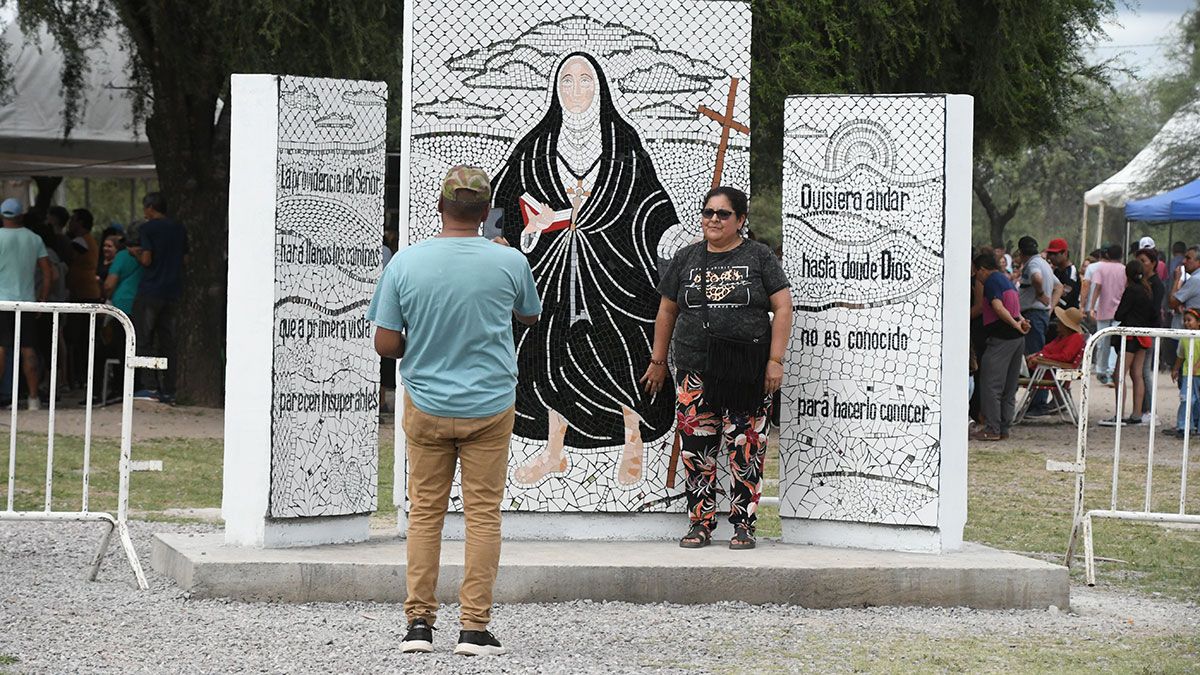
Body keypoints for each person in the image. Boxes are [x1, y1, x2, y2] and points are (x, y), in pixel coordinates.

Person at [370, 166, 540, 657]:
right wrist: (504, 256)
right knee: (483, 515)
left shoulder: (405, 262)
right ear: (486, 212)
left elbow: (385, 344)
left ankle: (418, 626)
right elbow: (529, 314)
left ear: (440, 208)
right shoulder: (509, 261)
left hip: (426, 403)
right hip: (490, 405)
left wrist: (422, 345)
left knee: (425, 514)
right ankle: (473, 629)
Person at [491, 51, 677, 487]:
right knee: (547, 353)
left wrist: (669, 234)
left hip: (614, 269)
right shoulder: (536, 145)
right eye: (567, 81)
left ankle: (632, 436)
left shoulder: (621, 141)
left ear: (600, 88)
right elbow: (500, 198)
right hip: (550, 269)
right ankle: (555, 449)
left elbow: (650, 201)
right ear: (556, 90)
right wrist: (501, 237)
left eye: (585, 80)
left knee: (622, 348)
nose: (576, 90)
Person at [641, 186, 791, 550]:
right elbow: (667, 310)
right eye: (708, 212)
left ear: (740, 220)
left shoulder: (758, 256)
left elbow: (783, 306)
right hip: (695, 370)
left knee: (745, 449)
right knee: (696, 451)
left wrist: (775, 361)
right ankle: (700, 524)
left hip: (745, 371)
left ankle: (744, 525)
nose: (713, 219)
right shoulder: (686, 258)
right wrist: (658, 361)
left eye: (723, 214)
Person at [131, 192, 188, 405]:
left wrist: (135, 253)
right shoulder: (179, 228)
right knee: (168, 341)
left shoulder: (148, 229)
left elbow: (147, 259)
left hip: (151, 290)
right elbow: (185, 259)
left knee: (143, 338)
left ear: (150, 207)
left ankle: (150, 387)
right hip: (172, 291)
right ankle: (170, 389)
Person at [0, 198, 52, 410]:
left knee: (1, 349)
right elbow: (48, 273)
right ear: (21, 215)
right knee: (28, 349)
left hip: (1, 303)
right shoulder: (34, 239)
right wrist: (42, 299)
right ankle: (33, 398)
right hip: (27, 303)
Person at [973, 251, 1029, 441]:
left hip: (1001, 338)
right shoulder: (1007, 280)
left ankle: (992, 428)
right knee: (1009, 386)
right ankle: (1004, 427)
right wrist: (1020, 322)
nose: (976, 277)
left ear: (982, 270)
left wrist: (1014, 324)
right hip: (1017, 340)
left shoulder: (991, 282)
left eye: (976, 272)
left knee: (991, 385)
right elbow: (1015, 309)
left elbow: (997, 307)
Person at [1099, 259, 1158, 427]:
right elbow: (1153, 315)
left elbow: (1119, 314)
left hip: (1130, 338)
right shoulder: (1147, 290)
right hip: (1143, 336)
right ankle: (1137, 413)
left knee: (1119, 375)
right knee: (1137, 374)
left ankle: (1119, 414)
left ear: (1127, 274)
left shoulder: (1131, 290)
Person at [1024, 306, 1087, 417]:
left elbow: (1065, 357)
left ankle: (1037, 405)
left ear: (1065, 325)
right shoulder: (1062, 337)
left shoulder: (1075, 338)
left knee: (1019, 373)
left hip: (1058, 372)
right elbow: (1049, 351)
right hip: (1051, 370)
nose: (1057, 323)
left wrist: (1040, 358)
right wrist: (1037, 356)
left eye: (1060, 321)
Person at [1085, 245, 1126, 385]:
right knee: (1115, 340)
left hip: (1103, 309)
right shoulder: (1124, 269)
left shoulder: (1101, 268)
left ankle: (1101, 369)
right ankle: (1112, 369)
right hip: (1119, 310)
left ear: (1107, 255)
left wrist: (1092, 306)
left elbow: (1097, 287)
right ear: (1121, 255)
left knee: (1102, 341)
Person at [1015, 235, 1062, 355]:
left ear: (1021, 252)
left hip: (1032, 316)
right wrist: (1050, 308)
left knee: (1032, 355)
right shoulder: (1044, 263)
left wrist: (1040, 293)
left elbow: (1037, 278)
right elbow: (1059, 287)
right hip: (1040, 315)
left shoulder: (1033, 264)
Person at [1135, 247, 1165, 420]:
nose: (1140, 265)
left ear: (1153, 263)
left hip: (1149, 330)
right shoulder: (1141, 282)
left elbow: (1154, 309)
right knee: (1139, 370)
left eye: (1143, 261)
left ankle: (1149, 410)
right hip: (1141, 329)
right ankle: (1142, 408)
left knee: (1144, 370)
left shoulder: (1157, 284)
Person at [1171, 308, 1200, 438]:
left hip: (1197, 374)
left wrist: (1197, 365)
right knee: (1186, 399)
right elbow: (1180, 355)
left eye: (1189, 320)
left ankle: (1196, 425)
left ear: (1198, 322)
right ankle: (1183, 426)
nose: (1186, 323)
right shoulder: (1184, 337)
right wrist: (1176, 369)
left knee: (1197, 401)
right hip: (1188, 373)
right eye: (1185, 320)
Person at [1047, 238, 1079, 310]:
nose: (1051, 257)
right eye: (1050, 254)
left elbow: (1062, 300)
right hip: (1054, 311)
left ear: (1065, 253)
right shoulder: (1056, 271)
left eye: (1055, 254)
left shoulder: (1071, 272)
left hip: (1066, 313)